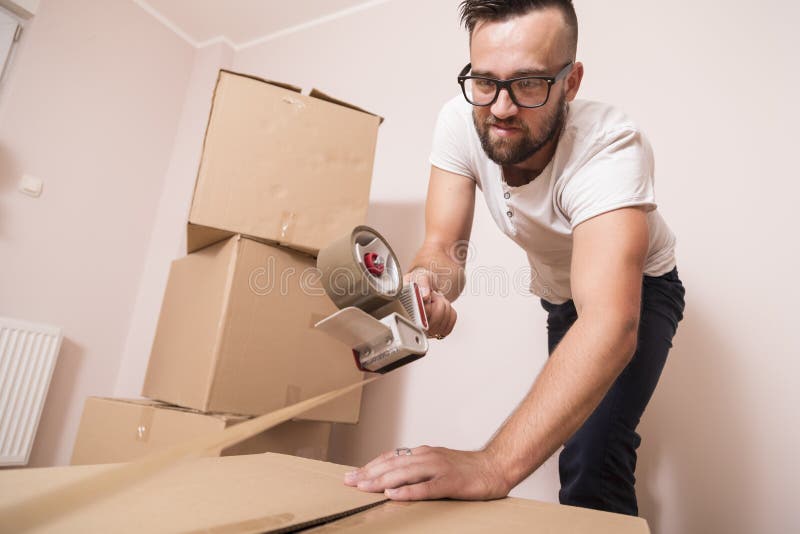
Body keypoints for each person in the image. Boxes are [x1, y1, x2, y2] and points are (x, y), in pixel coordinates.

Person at [343, 0, 685, 516]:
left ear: (570, 83)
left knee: (593, 456)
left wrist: (490, 465)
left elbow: (610, 323)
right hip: (562, 300)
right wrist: (423, 287)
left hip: (638, 290)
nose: (500, 107)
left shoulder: (609, 147)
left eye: (527, 84)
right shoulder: (460, 120)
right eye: (485, 81)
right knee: (574, 443)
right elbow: (443, 247)